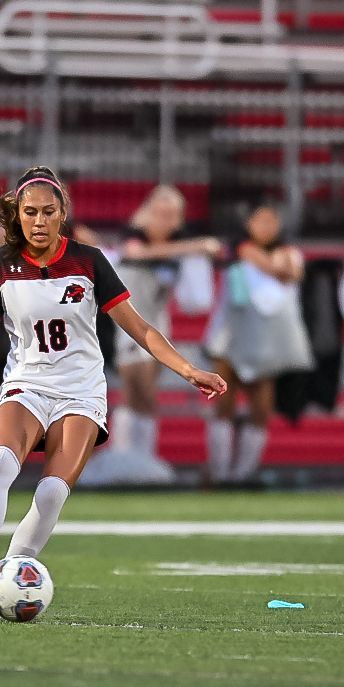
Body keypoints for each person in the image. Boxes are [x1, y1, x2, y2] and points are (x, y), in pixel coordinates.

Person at [0, 167, 225, 601]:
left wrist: (188, 370)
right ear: (17, 215)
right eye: (30, 212)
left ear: (63, 214)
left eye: (48, 212)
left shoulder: (89, 260)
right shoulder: (0, 264)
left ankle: (6, 583)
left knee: (53, 489)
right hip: (26, 383)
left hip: (81, 390)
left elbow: (141, 328)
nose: (39, 221)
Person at [112, 185, 222, 474]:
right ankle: (124, 459)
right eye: (160, 213)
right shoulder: (134, 235)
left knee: (146, 390)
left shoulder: (176, 244)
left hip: (156, 323)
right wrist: (195, 246)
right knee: (132, 388)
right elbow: (136, 252)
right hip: (127, 322)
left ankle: (142, 461)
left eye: (172, 215)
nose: (165, 221)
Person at [206, 204, 307, 484]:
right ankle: (220, 471)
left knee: (260, 408)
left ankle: (244, 473)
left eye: (271, 220)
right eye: (259, 220)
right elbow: (273, 267)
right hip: (229, 337)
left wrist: (279, 265)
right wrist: (277, 265)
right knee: (223, 404)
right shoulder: (237, 249)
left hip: (264, 340)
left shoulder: (288, 252)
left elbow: (294, 272)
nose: (265, 226)